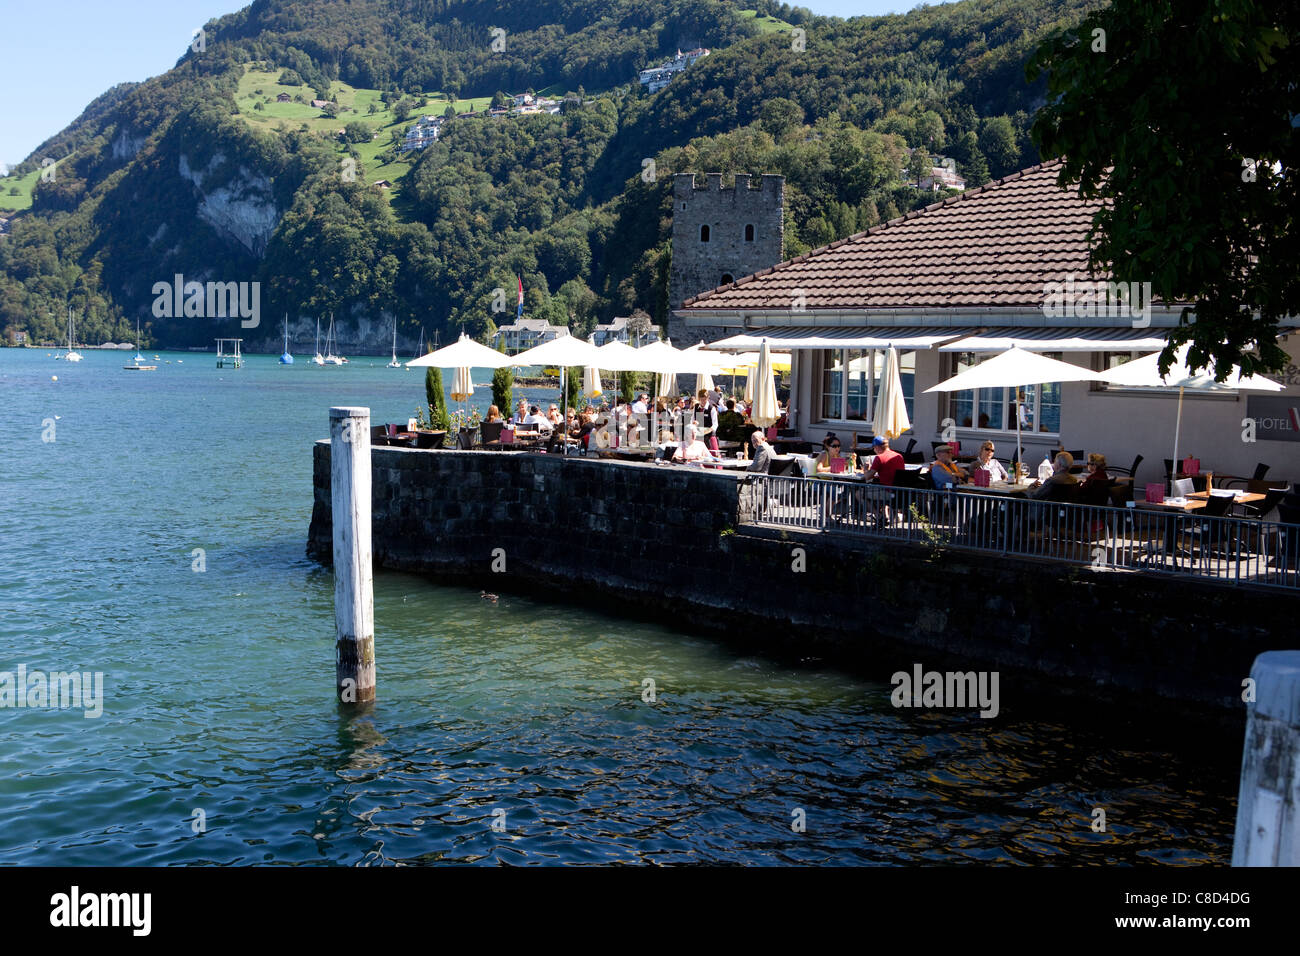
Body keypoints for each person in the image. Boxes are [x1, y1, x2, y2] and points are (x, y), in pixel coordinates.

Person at [692, 389, 720, 455]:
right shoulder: (696, 407)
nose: (703, 402)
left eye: (704, 399)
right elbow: (692, 419)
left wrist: (710, 429)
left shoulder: (711, 408)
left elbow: (715, 424)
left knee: (713, 456)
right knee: (699, 456)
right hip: (699, 437)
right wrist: (694, 423)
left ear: (708, 398)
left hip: (710, 437)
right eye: (701, 400)